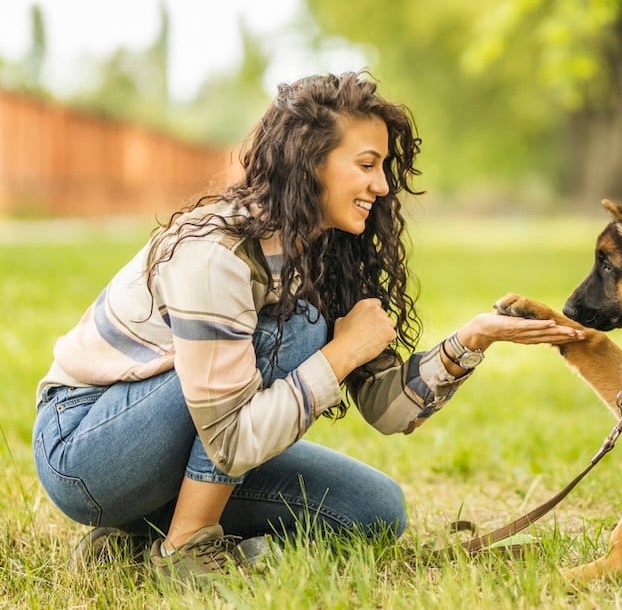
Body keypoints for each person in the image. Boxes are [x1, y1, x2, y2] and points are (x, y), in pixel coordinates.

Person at [32, 71, 583, 580]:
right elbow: (229, 440)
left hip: (193, 437)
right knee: (295, 329)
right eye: (366, 165)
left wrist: (474, 338)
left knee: (374, 512)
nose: (383, 186)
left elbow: (389, 409)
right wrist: (339, 354)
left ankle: (136, 536)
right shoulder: (220, 253)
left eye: (383, 167)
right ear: (310, 163)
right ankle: (187, 548)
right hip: (86, 452)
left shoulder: (327, 254)